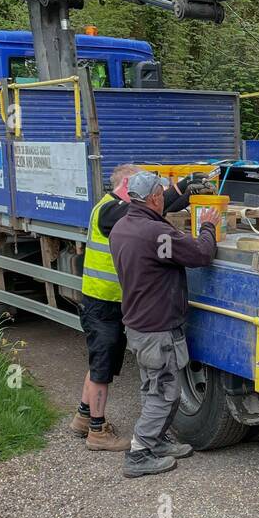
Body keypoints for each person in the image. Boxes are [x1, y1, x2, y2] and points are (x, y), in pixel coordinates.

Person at [69, 164, 193, 451]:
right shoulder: (111, 210)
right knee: (102, 366)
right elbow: (149, 212)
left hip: (105, 300)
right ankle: (98, 433)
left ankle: (83, 417)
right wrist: (181, 187)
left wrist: (182, 191)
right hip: (104, 302)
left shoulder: (112, 207)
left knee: (101, 361)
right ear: (127, 185)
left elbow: (155, 209)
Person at [108, 171, 221, 478]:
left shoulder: (122, 228)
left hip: (140, 323)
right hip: (156, 326)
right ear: (156, 197)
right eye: (162, 194)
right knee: (163, 391)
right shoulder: (155, 234)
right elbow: (200, 253)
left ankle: (156, 442)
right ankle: (139, 454)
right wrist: (209, 225)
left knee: (153, 386)